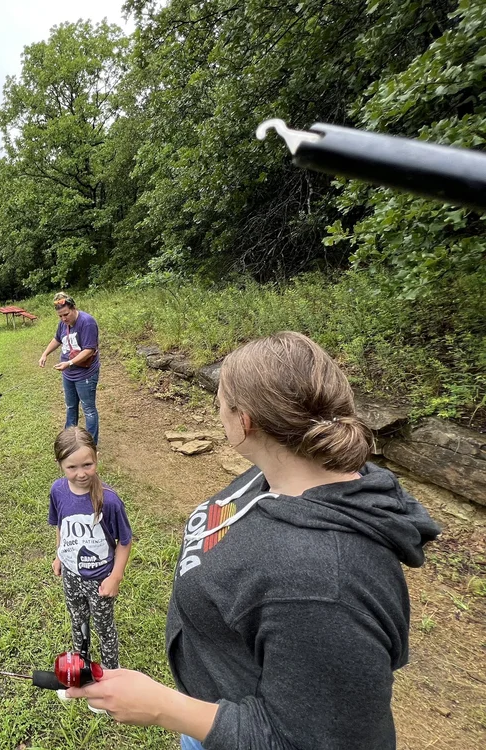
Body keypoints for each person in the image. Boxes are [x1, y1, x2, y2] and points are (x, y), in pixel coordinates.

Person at [66, 331, 440, 750]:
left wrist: (161, 707)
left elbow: (309, 739)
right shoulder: (283, 471)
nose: (218, 411)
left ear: (245, 421)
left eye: (220, 402)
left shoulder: (325, 585)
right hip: (216, 700)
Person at [50, 426, 132, 678]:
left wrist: (115, 577)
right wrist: (59, 555)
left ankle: (110, 676)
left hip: (100, 579)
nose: (81, 473)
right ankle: (80, 668)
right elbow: (61, 526)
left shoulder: (110, 500)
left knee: (104, 627)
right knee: (77, 620)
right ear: (60, 465)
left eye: (87, 464)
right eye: (71, 467)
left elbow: (125, 541)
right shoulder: (58, 491)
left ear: (96, 458)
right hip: (72, 576)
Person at [38, 293, 101, 444]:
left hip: (85, 373)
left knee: (89, 410)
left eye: (66, 314)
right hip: (69, 374)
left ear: (74, 308)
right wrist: (45, 354)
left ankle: (90, 445)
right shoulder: (63, 323)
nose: (64, 319)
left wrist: (69, 363)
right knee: (71, 406)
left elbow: (89, 350)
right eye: (60, 316)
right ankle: (69, 442)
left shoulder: (87, 322)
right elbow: (57, 339)